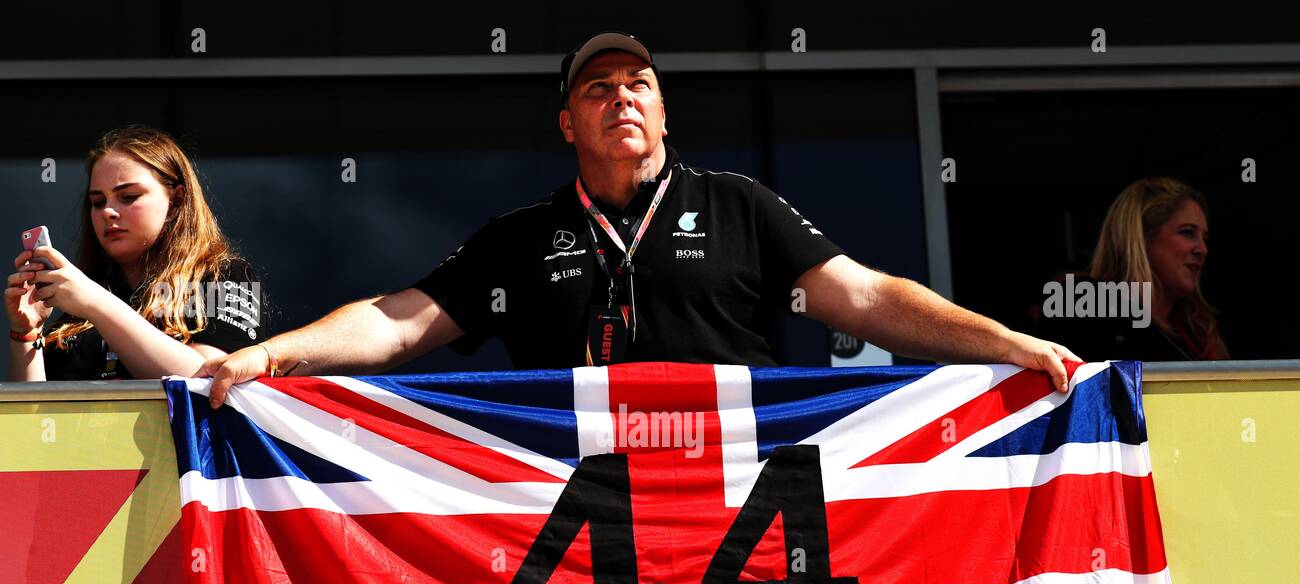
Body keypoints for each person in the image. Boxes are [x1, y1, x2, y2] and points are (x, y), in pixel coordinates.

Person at [199, 31, 1079, 408]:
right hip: (579, 522)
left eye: (638, 86)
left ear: (663, 115)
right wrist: (276, 354)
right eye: (598, 89)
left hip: (733, 504)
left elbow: (868, 297)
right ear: (567, 125)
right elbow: (397, 326)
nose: (621, 97)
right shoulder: (519, 237)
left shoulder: (738, 204)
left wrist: (1004, 343)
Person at [6, 126, 267, 381]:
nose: (108, 211)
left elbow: (208, 378)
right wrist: (27, 333)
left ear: (176, 202)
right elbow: (35, 416)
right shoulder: (79, 303)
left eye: (128, 196)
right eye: (97, 202)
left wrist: (95, 303)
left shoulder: (223, 275)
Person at [1034, 178, 1228, 361]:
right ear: (1141, 237)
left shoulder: (1199, 333)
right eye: (1187, 232)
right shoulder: (1085, 304)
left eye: (1205, 238)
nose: (1202, 249)